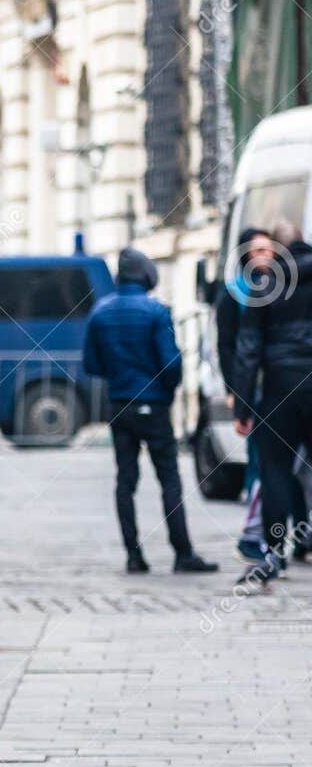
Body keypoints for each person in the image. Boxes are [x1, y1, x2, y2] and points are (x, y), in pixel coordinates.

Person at [83, 247, 218, 575]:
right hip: (154, 405)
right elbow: (171, 362)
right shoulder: (156, 312)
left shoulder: (100, 312)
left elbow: (91, 363)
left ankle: (133, 554)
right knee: (169, 478)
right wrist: (167, 390)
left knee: (125, 479)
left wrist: (119, 379)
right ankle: (182, 553)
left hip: (120, 404)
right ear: (146, 274)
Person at [218, 228, 310, 567]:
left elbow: (247, 350)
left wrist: (242, 405)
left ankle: (273, 553)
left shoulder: (265, 287)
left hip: (279, 391)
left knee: (275, 472)